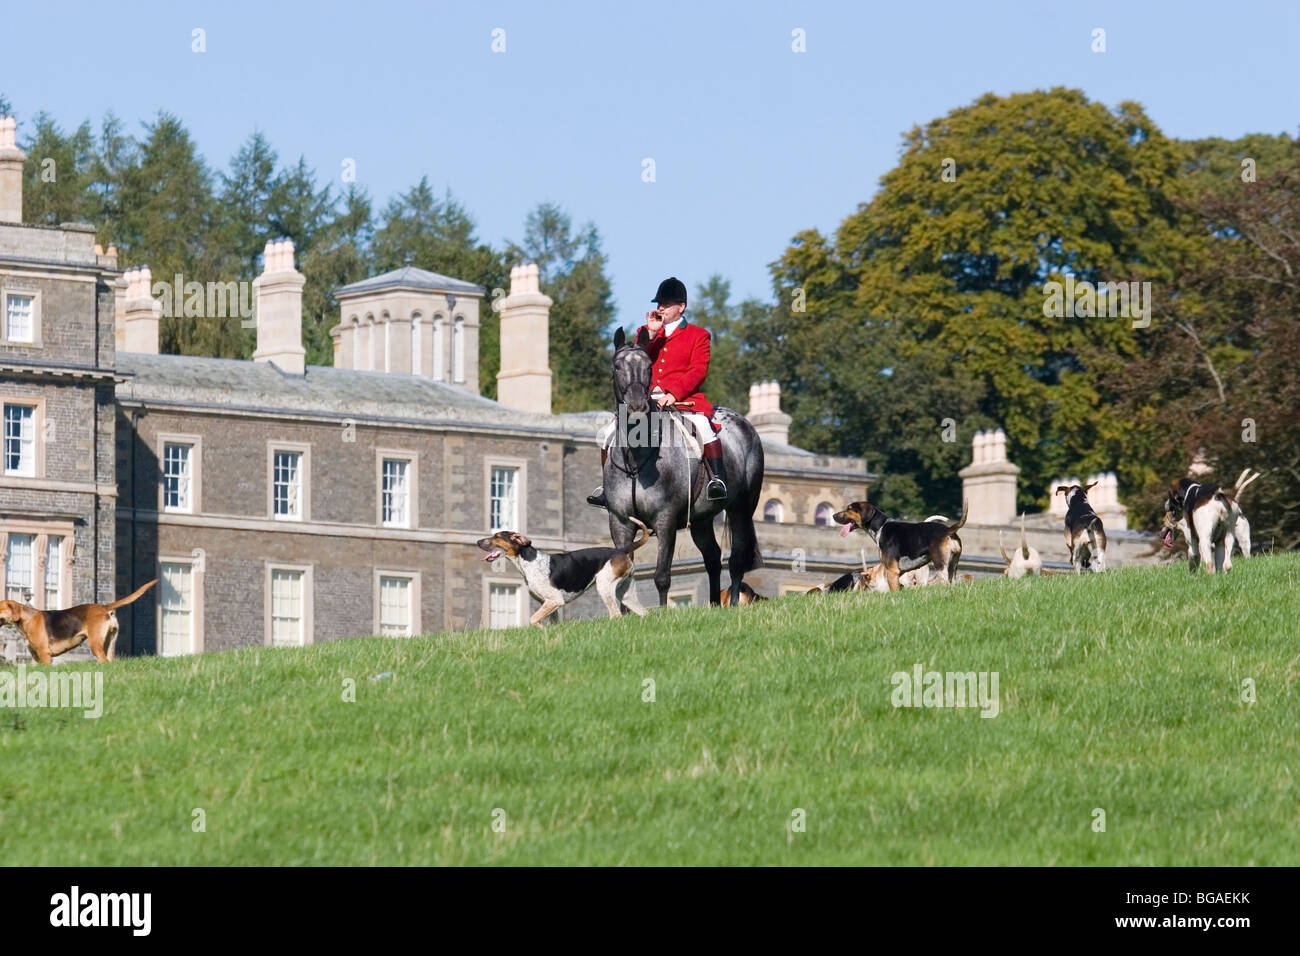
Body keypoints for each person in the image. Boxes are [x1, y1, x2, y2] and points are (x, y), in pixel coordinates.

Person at [588, 276, 727, 508]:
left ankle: (717, 480)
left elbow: (698, 370)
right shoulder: (646, 332)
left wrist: (673, 393)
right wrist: (651, 334)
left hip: (682, 401)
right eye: (658, 303)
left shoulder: (698, 335)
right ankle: (608, 486)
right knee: (608, 432)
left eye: (666, 303)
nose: (660, 307)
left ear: (681, 307)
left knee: (705, 429)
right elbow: (635, 362)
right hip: (644, 401)